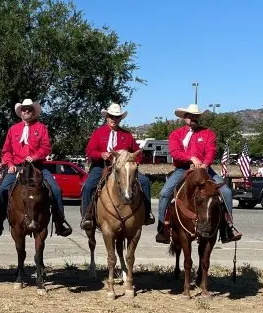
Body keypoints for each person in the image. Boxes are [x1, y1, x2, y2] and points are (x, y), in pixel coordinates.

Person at [155, 103, 242, 244]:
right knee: (165, 193)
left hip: (205, 169)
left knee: (226, 191)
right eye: (190, 116)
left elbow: (211, 151)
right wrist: (190, 158)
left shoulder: (208, 133)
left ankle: (228, 228)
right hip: (183, 169)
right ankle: (162, 228)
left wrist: (205, 164)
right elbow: (175, 153)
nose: (193, 118)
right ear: (185, 117)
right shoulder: (176, 134)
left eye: (196, 116)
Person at [0, 98, 73, 237]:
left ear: (34, 112)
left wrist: (35, 156)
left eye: (29, 109)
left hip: (38, 167)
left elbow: (46, 147)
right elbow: (6, 151)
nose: (26, 111)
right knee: (2, 190)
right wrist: (9, 165)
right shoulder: (13, 129)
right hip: (17, 167)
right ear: (21, 112)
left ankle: (59, 222)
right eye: (24, 109)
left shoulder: (41, 128)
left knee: (56, 190)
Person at [79, 103, 154, 232]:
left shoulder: (127, 135)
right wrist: (100, 154)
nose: (114, 119)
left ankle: (146, 214)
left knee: (145, 182)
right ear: (107, 117)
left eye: (117, 117)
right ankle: (87, 216)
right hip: (101, 166)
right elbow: (89, 151)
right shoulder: (98, 133)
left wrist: (131, 159)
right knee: (88, 186)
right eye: (111, 116)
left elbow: (138, 154)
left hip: (123, 168)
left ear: (120, 119)